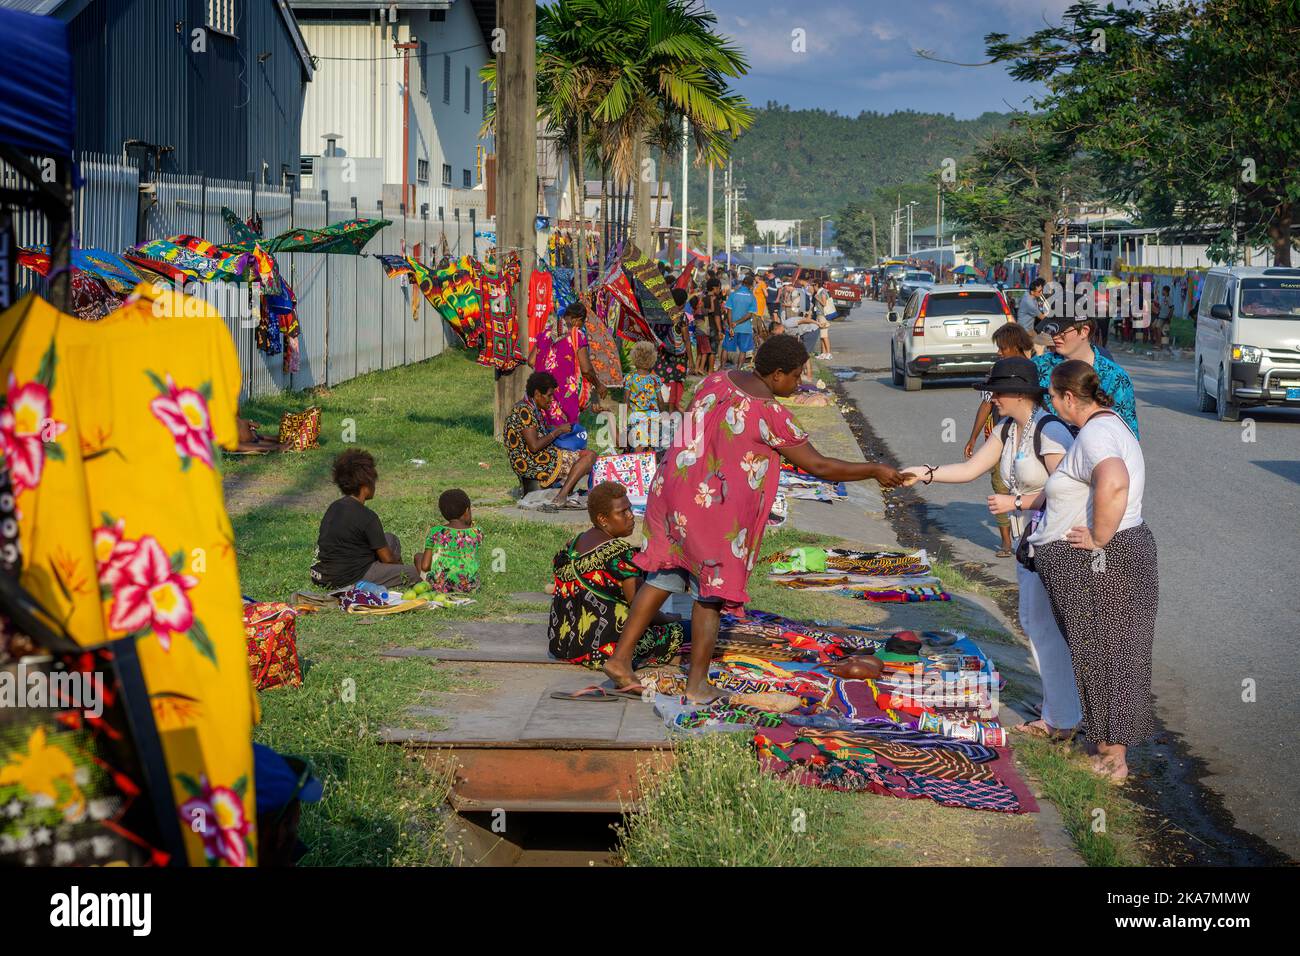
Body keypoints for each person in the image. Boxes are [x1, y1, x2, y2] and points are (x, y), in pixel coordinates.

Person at [602, 336, 913, 701]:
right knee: (711, 595)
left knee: (662, 577)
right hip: (712, 509)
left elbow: (690, 428)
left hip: (672, 488)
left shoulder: (715, 380)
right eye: (795, 376)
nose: (798, 384)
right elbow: (820, 465)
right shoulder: (770, 412)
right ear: (777, 373)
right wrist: (874, 469)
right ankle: (697, 685)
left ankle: (620, 660)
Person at [905, 356, 1083, 740]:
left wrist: (1016, 503)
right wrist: (926, 473)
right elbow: (970, 469)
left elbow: (1068, 491)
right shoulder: (1007, 428)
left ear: (1019, 393)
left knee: (1046, 628)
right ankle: (1060, 706)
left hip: (1056, 543)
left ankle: (1062, 718)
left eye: (997, 392)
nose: (992, 399)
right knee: (1036, 624)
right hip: (1030, 544)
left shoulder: (1050, 432)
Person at [1025, 360, 1155, 783]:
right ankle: (1108, 751)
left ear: (1067, 397)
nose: (1051, 405)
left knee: (1105, 655)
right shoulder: (1110, 424)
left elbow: (1113, 480)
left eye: (1052, 397)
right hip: (1114, 555)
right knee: (1110, 654)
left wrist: (1100, 537)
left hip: (1105, 559)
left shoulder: (1097, 433)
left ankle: (1112, 758)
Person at [548, 481, 686, 671]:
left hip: (564, 647)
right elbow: (642, 609)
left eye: (630, 509)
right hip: (604, 651)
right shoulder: (619, 553)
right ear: (603, 519)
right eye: (622, 512)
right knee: (685, 631)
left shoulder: (573, 545)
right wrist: (671, 618)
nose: (631, 516)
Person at [965, 323, 1036, 557]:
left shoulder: (1039, 367)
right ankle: (1007, 541)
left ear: (1015, 345)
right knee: (1000, 487)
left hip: (1032, 441)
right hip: (1000, 439)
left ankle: (1032, 538)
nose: (998, 352)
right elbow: (986, 403)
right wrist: (973, 438)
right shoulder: (997, 369)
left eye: (1002, 347)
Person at [310, 449, 418, 590]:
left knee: (390, 539)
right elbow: (388, 559)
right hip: (351, 577)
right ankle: (385, 578)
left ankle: (384, 572)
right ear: (365, 484)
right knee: (413, 572)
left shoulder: (334, 507)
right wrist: (400, 569)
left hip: (326, 573)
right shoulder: (368, 516)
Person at [505, 371, 598, 512]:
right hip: (533, 462)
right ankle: (562, 497)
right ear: (537, 394)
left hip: (537, 458)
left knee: (585, 454)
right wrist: (558, 431)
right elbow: (535, 446)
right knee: (590, 456)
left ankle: (565, 494)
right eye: (548, 396)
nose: (551, 400)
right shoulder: (524, 411)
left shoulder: (531, 408)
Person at [1033, 314, 1139, 437]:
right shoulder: (1038, 367)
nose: (1055, 336)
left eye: (1061, 332)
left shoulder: (1115, 377)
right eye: (1052, 330)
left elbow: (1127, 434)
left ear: (1084, 331)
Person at [529, 302, 609, 428]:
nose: (581, 327)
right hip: (564, 395)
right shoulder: (577, 335)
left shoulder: (546, 333)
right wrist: (599, 386)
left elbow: (531, 361)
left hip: (542, 394)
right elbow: (586, 369)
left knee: (545, 434)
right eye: (582, 324)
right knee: (566, 436)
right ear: (577, 320)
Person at [415, 488, 483, 593]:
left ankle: (426, 586)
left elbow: (425, 566)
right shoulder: (477, 532)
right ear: (467, 511)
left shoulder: (436, 531)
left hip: (440, 587)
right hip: (470, 587)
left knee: (418, 557)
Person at [654, 288, 692, 413]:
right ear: (683, 304)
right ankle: (671, 411)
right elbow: (686, 340)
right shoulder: (682, 318)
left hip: (663, 353)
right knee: (674, 382)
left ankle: (660, 408)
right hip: (678, 356)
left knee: (663, 380)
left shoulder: (662, 313)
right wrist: (691, 360)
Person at [625, 340, 667, 452]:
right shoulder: (655, 379)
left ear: (634, 358)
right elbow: (660, 400)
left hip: (637, 416)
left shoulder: (630, 378)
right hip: (654, 415)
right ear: (652, 359)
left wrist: (624, 417)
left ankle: (638, 467)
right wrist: (664, 414)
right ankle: (650, 468)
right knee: (651, 446)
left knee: (638, 445)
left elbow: (626, 401)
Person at [721, 273, 759, 367]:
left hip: (732, 328)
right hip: (745, 328)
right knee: (743, 351)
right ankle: (738, 370)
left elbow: (729, 311)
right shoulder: (752, 297)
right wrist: (737, 323)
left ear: (742, 283)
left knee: (726, 348)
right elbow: (749, 315)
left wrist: (731, 325)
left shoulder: (733, 295)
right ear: (750, 285)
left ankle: (722, 367)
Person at [813, 281, 837, 359]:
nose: (813, 287)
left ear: (817, 285)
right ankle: (823, 353)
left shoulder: (822, 292)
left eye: (813, 285)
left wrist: (817, 298)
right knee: (822, 336)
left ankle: (828, 353)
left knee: (824, 335)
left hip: (823, 315)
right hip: (820, 315)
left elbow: (824, 303)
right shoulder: (821, 291)